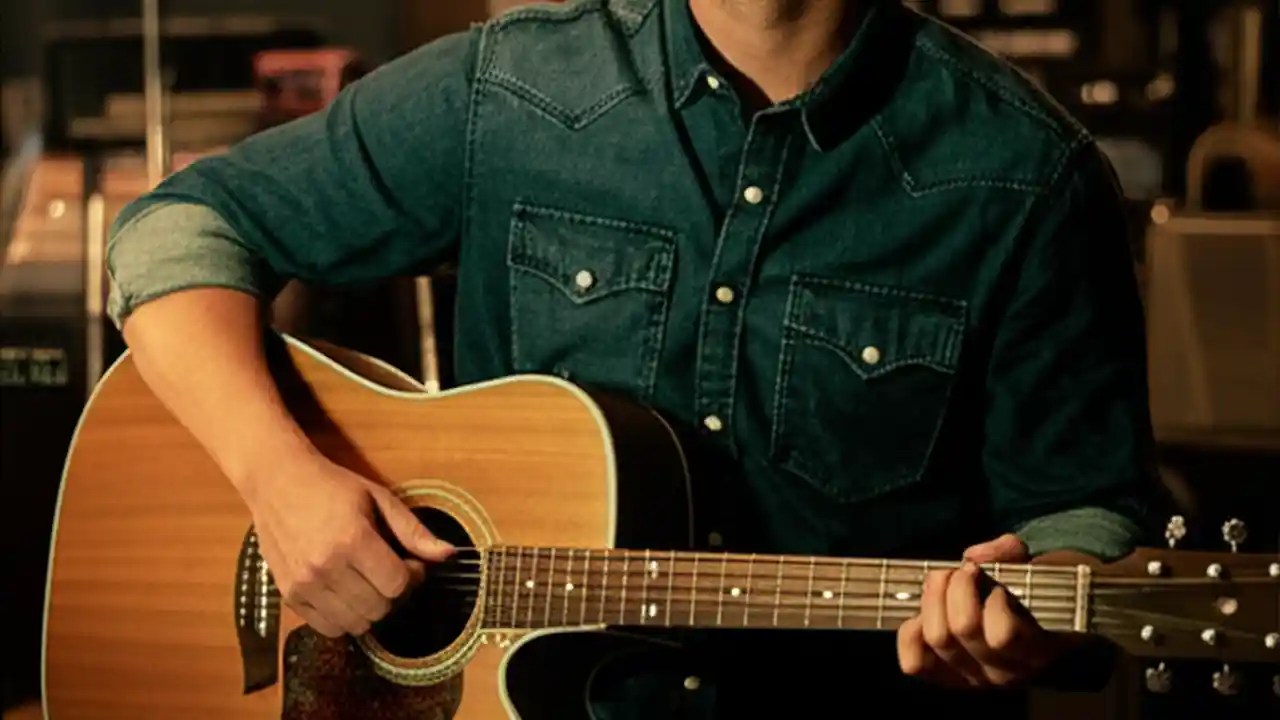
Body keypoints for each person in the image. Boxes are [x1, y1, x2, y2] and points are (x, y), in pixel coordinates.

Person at [105, 0, 1161, 716]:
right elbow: (175, 233)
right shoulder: (505, 89)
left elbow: (1084, 514)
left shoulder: (1029, 175)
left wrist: (1042, 610)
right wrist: (280, 480)